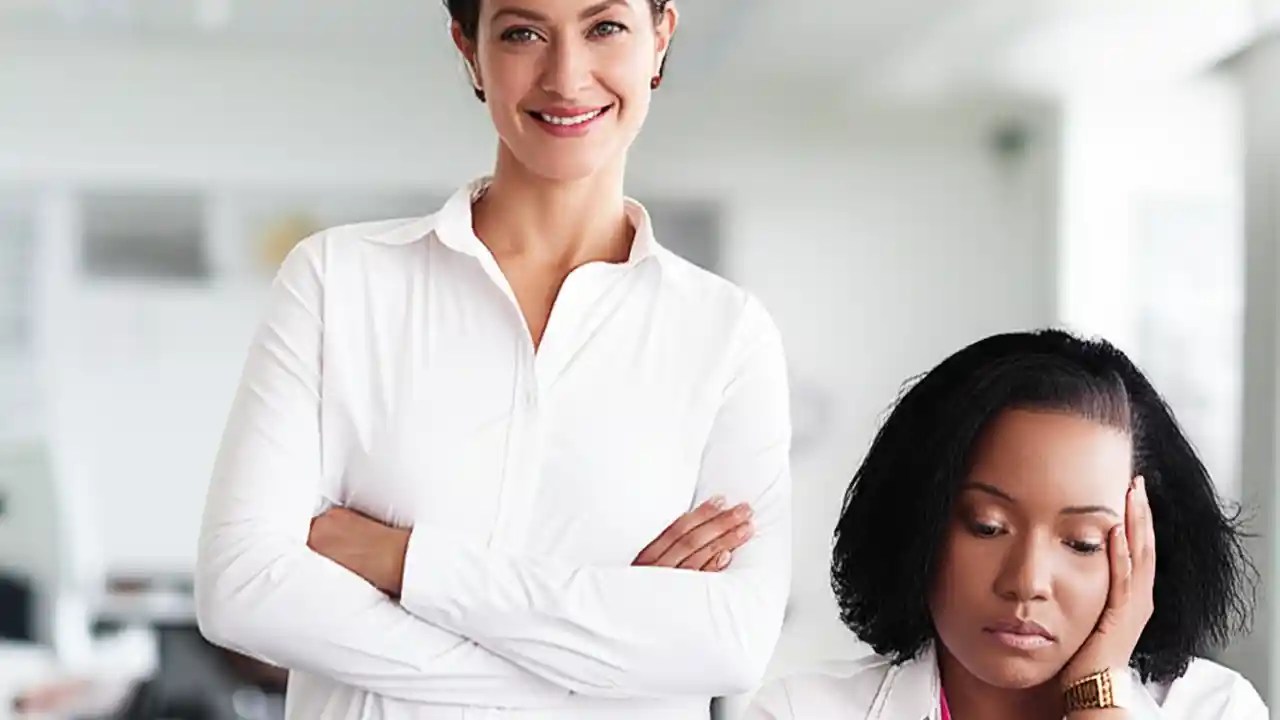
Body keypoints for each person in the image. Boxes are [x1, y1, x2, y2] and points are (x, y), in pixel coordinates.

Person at [194, 1, 793, 718]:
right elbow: (241, 590)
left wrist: (405, 562)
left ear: (659, 38)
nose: (567, 77)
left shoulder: (726, 334)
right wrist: (592, 666)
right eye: (522, 33)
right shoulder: (337, 282)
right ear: (469, 51)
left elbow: (730, 642)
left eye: (604, 27)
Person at [747, 330, 1264, 719]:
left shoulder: (1216, 710)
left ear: (1146, 552)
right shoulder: (799, 712)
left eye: (1082, 543)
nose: (1027, 581)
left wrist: (1098, 695)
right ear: (918, 526)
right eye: (988, 527)